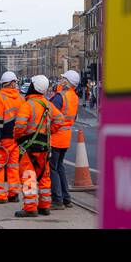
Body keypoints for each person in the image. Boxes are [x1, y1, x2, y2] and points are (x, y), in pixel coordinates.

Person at [12, 75, 62, 219]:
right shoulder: (48, 104)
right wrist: (48, 132)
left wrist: (18, 138)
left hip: (28, 146)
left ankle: (30, 208)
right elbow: (60, 120)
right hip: (44, 147)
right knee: (43, 176)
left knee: (29, 176)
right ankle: (45, 206)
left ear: (33, 86)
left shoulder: (28, 105)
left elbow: (20, 125)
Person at [0, 72, 24, 205]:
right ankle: (13, 194)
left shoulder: (0, 97)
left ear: (3, 83)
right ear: (13, 83)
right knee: (13, 165)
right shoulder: (20, 98)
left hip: (4, 138)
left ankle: (0, 195)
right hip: (16, 138)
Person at [49, 70, 79, 210]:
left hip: (55, 136)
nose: (60, 81)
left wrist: (49, 131)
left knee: (52, 168)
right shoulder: (74, 97)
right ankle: (66, 198)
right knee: (59, 166)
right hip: (66, 137)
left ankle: (57, 199)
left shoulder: (60, 96)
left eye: (63, 79)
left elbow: (50, 115)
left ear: (67, 82)